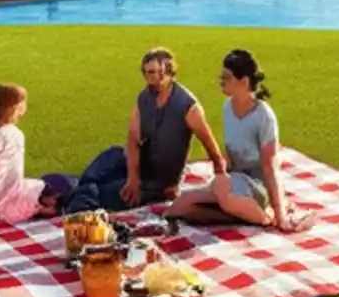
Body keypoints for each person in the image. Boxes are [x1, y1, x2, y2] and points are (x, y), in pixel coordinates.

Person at [164, 50, 315, 233]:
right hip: (233, 185)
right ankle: (241, 215)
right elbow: (230, 154)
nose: (221, 79)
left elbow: (270, 167)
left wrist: (280, 211)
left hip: (257, 188)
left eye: (227, 77)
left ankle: (267, 217)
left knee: (221, 187)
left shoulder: (264, 117)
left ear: (243, 82)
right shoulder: (228, 107)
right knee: (179, 207)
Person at [64, 48, 226, 213]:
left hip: (157, 183)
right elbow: (133, 138)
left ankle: (76, 201)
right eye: (147, 73)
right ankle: (76, 192)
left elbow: (210, 145)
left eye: (155, 73)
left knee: (97, 192)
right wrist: (133, 178)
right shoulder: (144, 98)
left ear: (169, 72)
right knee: (112, 155)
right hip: (138, 167)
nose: (150, 78)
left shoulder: (188, 107)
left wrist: (221, 178)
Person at [0, 84, 61, 224]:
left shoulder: (1, 133)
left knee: (47, 187)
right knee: (60, 185)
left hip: (9, 192)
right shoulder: (1, 134)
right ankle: (38, 208)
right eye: (22, 102)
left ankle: (39, 206)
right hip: (7, 198)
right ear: (11, 107)